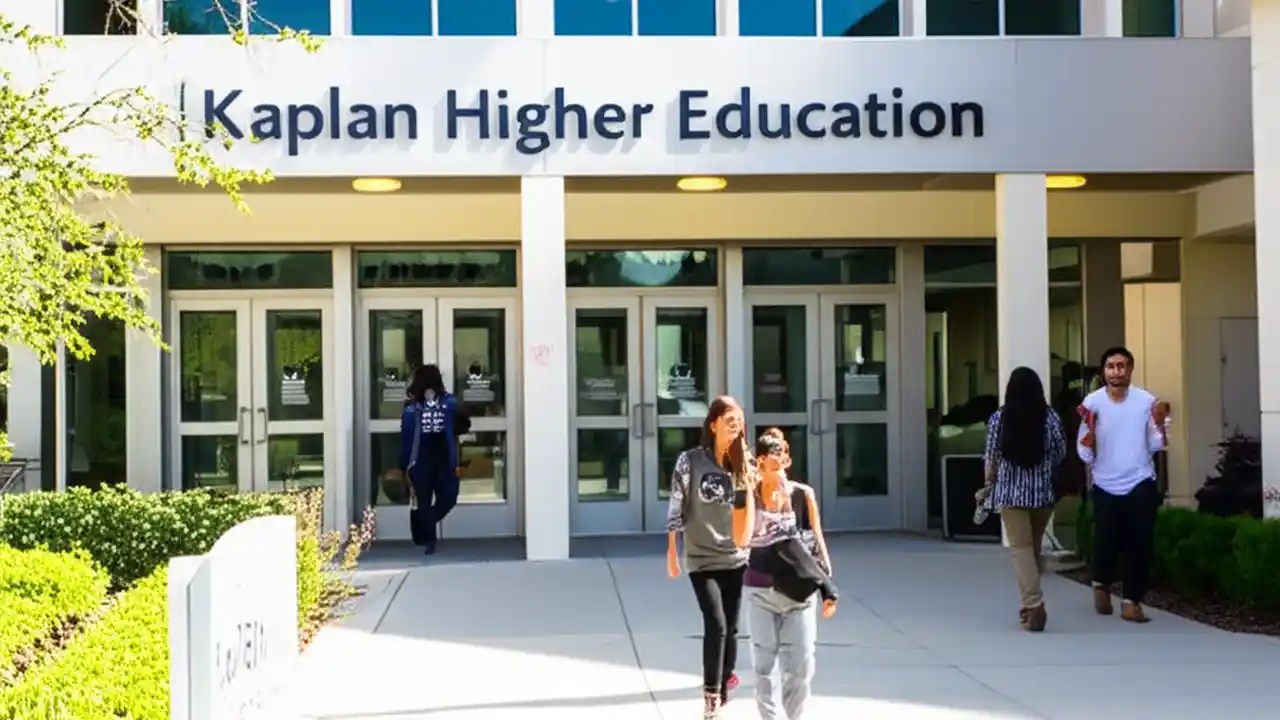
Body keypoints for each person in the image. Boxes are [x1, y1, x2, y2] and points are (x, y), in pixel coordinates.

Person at [666, 396, 756, 720]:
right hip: (701, 559)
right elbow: (676, 507)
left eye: (739, 422)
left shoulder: (743, 462)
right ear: (714, 423)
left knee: (731, 630)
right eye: (730, 421)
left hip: (734, 558)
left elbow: (748, 517)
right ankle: (711, 698)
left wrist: (745, 477)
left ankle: (725, 679)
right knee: (715, 624)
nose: (735, 428)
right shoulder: (690, 462)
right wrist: (672, 552)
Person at [745, 430, 837, 720]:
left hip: (799, 592)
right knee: (763, 669)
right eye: (773, 464)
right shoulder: (748, 495)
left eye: (783, 462)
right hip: (761, 591)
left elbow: (815, 543)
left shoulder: (801, 494)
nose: (780, 470)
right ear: (759, 463)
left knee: (800, 667)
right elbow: (738, 538)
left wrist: (826, 586)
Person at [1077, 346, 1171, 623]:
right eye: (1111, 366)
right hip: (1106, 481)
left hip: (1140, 479)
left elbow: (1156, 443)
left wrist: (1161, 425)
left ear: (1130, 369)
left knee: (1139, 543)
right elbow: (1083, 449)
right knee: (1107, 540)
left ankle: (1132, 601)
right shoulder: (1092, 403)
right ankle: (1101, 582)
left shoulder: (1146, 401)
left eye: (1122, 366)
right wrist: (1090, 444)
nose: (1117, 372)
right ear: (1103, 371)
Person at [983, 367, 1067, 632]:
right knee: (1032, 550)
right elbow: (1061, 451)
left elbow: (991, 457)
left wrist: (988, 482)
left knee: (1022, 550)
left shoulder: (999, 418)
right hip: (1042, 495)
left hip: (1012, 495)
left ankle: (1034, 604)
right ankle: (1028, 604)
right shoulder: (1050, 418)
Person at [399, 363, 462, 555]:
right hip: (420, 457)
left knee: (449, 494)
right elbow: (408, 435)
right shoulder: (412, 407)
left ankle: (427, 524)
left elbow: (458, 424)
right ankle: (429, 541)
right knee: (423, 498)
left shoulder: (449, 403)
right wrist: (404, 465)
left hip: (443, 455)